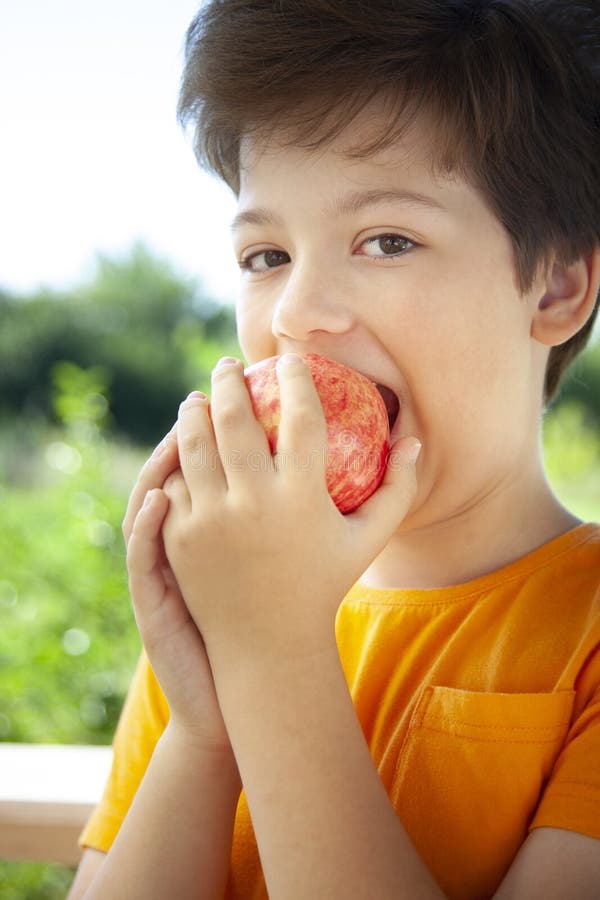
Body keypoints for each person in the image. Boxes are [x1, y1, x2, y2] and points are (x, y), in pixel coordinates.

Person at [68, 1, 600, 897]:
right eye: (266, 254)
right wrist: (205, 732)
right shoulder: (224, 598)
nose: (294, 315)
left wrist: (275, 657)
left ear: (554, 285)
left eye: (387, 241)